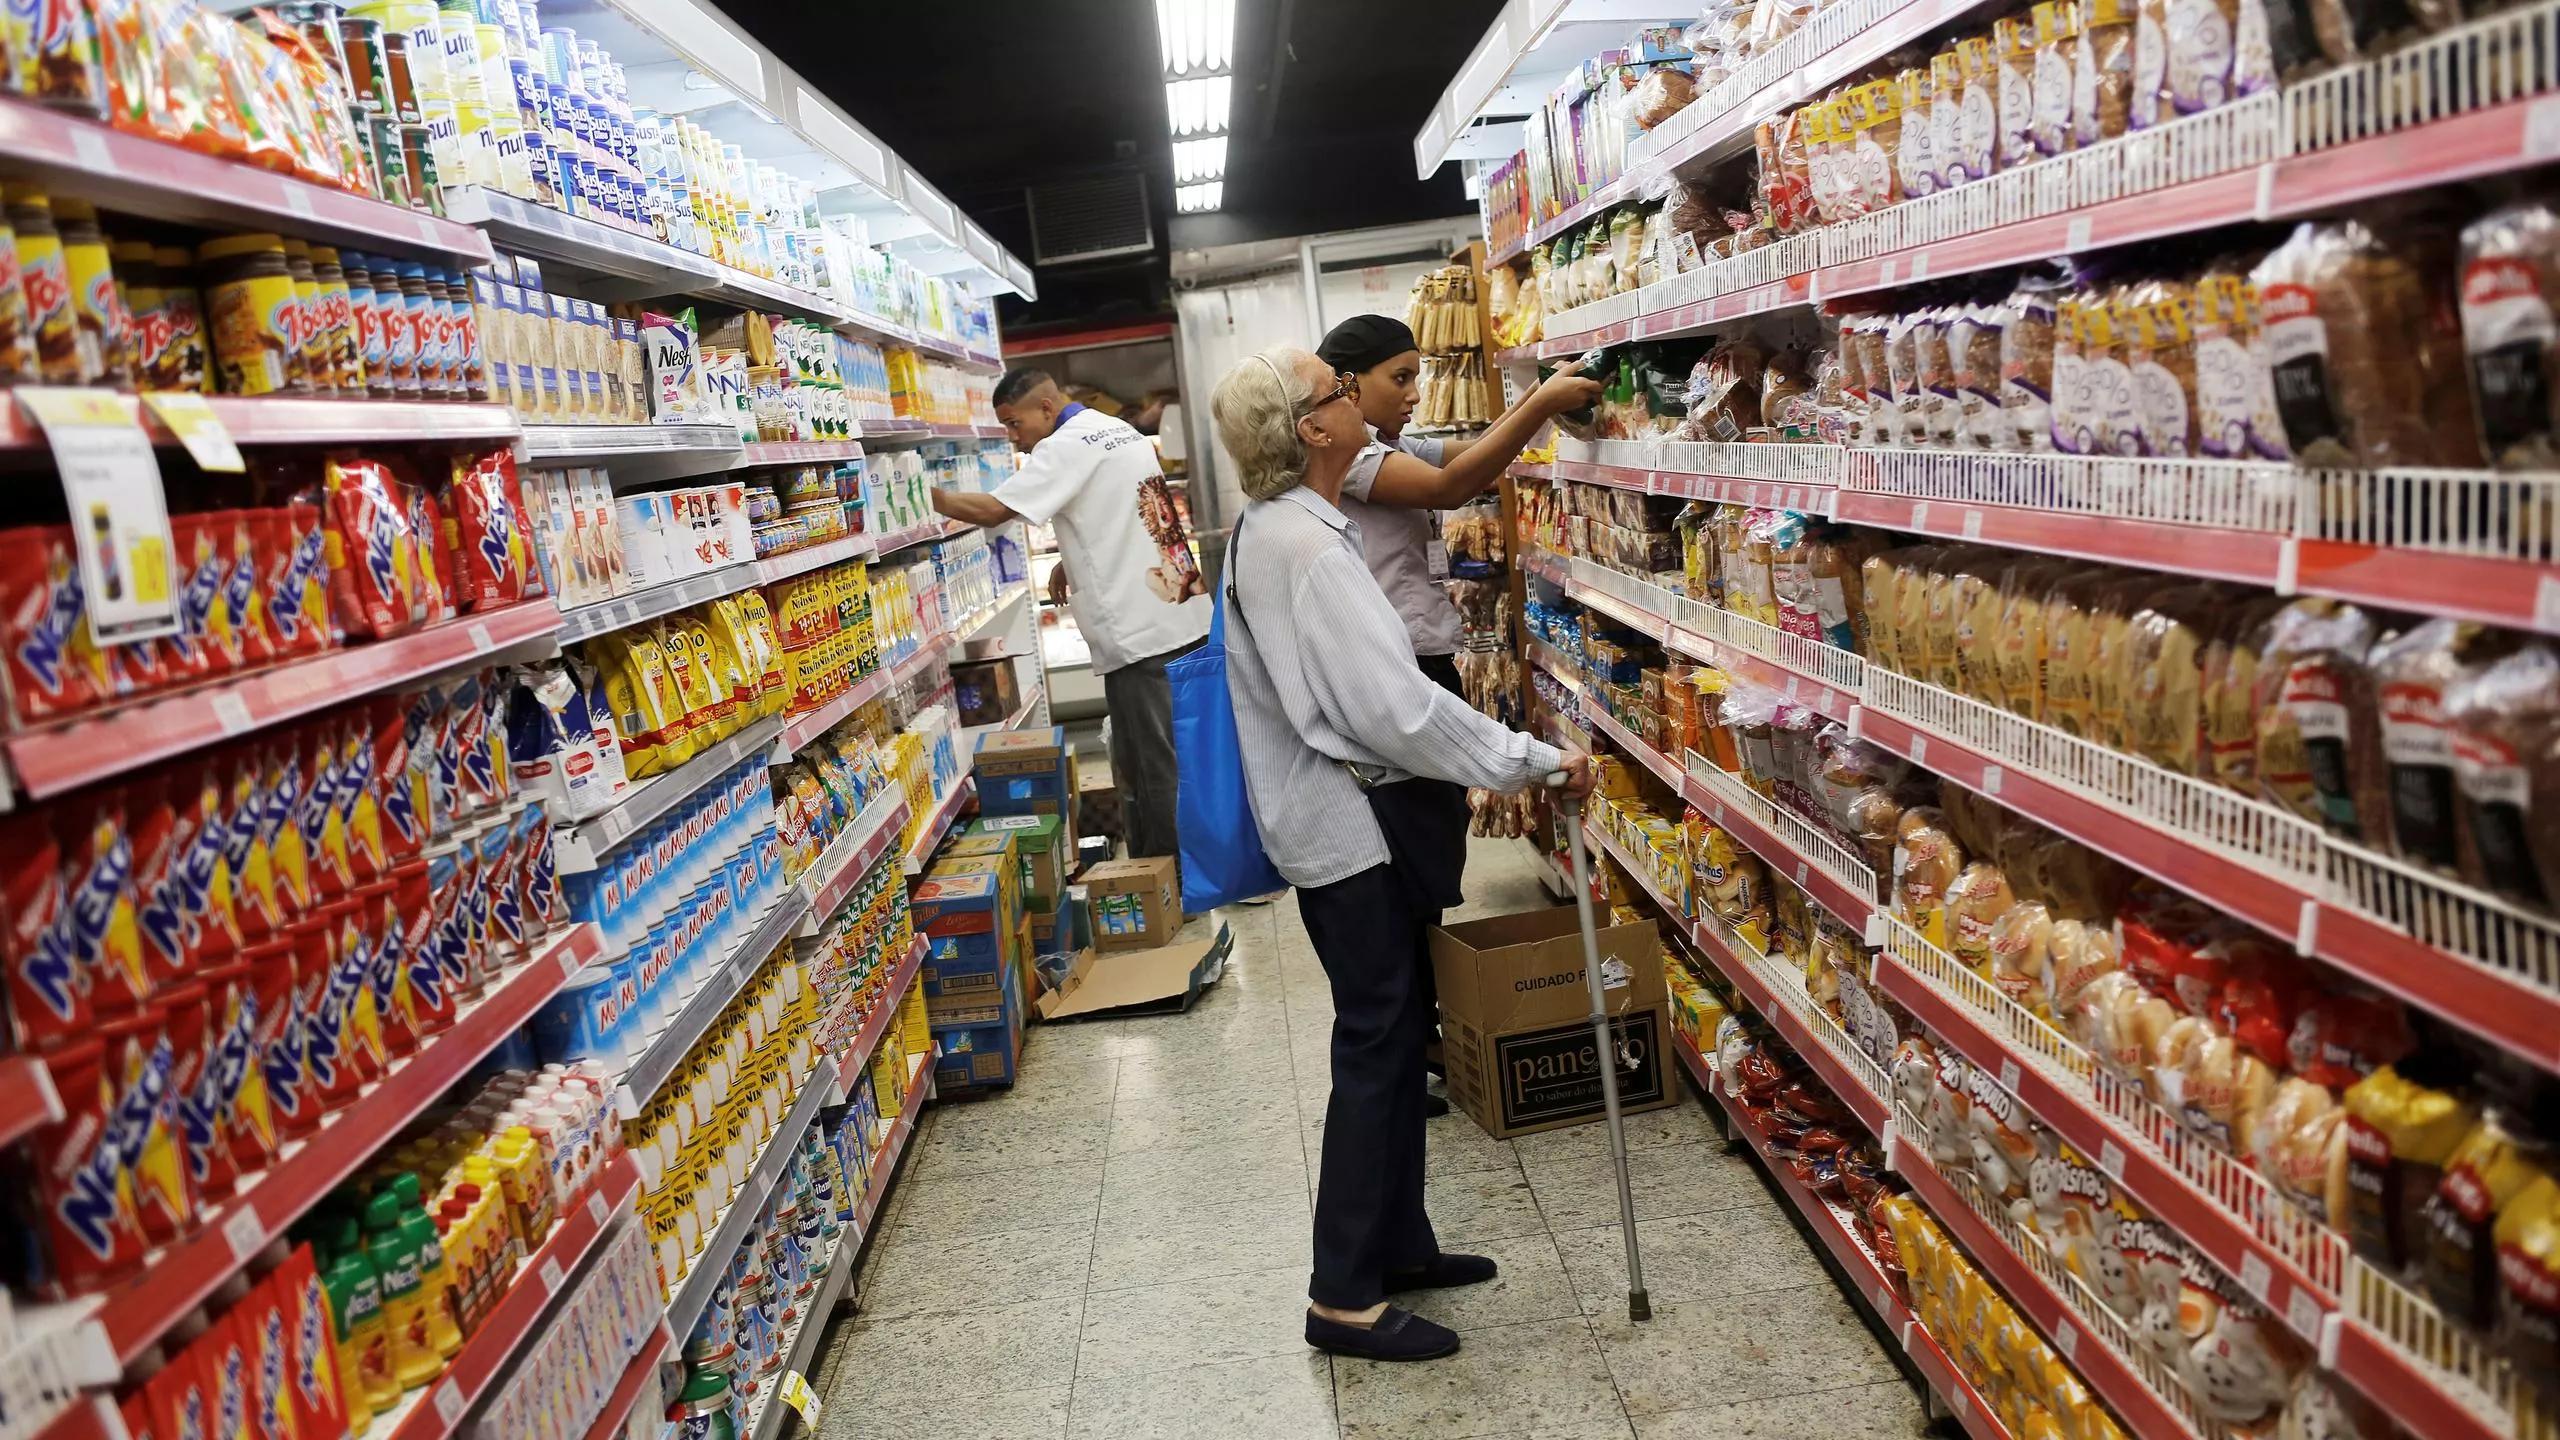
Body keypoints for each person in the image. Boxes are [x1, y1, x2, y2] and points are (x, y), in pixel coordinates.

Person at [1209, 346, 1595, 1363]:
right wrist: (1529, 760)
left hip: (1342, 817)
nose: (1359, 398)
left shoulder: (1283, 528)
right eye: (1339, 390)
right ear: (1312, 429)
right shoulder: (1308, 550)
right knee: (1376, 1048)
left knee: (1392, 1031)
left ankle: (1396, 1244)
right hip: (1347, 825)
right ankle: (1341, 1295)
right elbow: (1394, 712)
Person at [932, 369, 1210, 863]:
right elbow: (1123, 511)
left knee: (1152, 768)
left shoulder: (1064, 447)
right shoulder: (1114, 429)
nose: (1013, 438)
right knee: (1180, 756)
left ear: (1045, 408)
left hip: (1139, 636)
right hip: (1181, 616)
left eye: (1013, 424)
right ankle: (1179, 870)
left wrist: (925, 495)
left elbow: (995, 510)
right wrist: (1072, 557)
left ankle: (1170, 882)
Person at [1315, 314, 1602, 700]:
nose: (1415, 395)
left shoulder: (1391, 445)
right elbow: (1447, 488)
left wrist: (1539, 390)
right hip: (1392, 659)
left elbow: (1476, 450)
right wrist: (1541, 404)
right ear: (1350, 384)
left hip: (1417, 648)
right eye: (1400, 378)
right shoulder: (1346, 452)